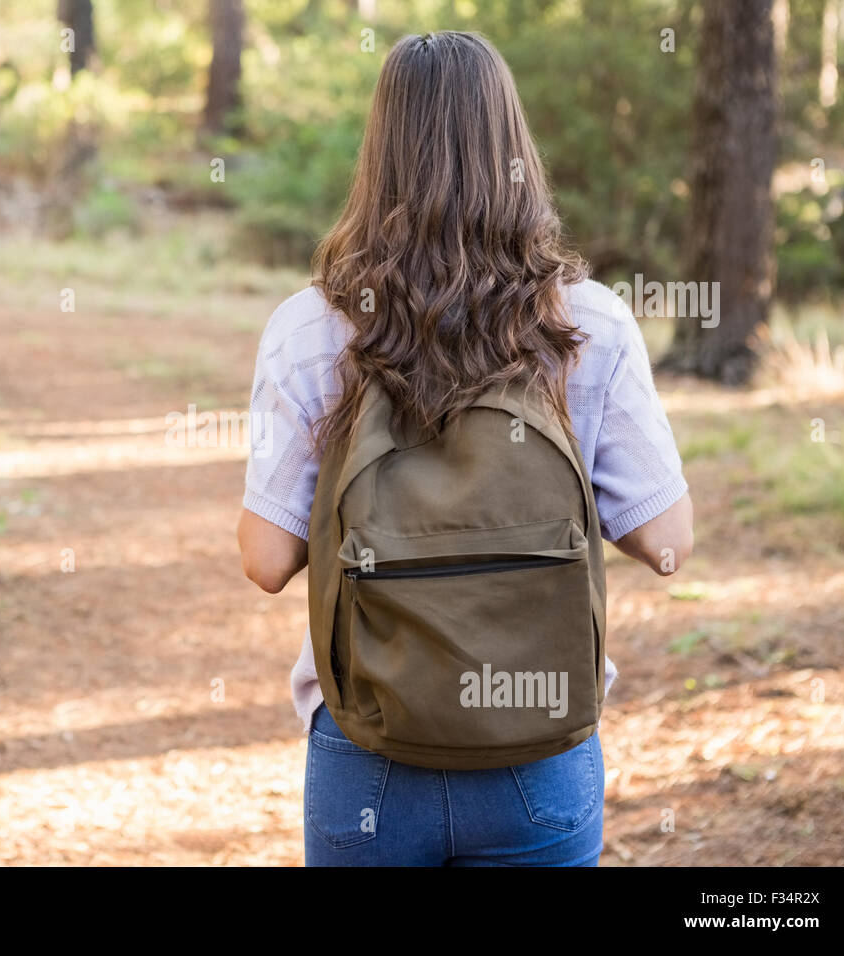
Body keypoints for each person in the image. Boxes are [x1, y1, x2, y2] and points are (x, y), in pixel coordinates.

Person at [236, 31, 693, 867]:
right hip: (539, 753)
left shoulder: (309, 326)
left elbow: (267, 558)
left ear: (379, 155)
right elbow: (665, 540)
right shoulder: (587, 322)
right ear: (513, 149)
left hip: (368, 758)